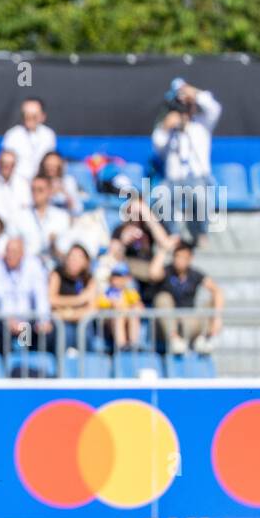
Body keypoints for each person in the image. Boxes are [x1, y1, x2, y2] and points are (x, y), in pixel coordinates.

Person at [151, 79, 221, 243]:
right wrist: (165, 127)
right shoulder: (166, 128)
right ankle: (174, 233)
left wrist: (192, 93)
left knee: (201, 195)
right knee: (161, 196)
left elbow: (214, 108)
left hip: (198, 178)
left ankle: (201, 233)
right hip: (173, 180)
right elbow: (157, 145)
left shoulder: (202, 124)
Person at [148, 239, 225, 355]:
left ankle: (206, 339)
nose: (179, 261)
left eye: (183, 257)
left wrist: (217, 318)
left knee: (212, 303)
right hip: (168, 323)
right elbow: (153, 274)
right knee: (162, 298)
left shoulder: (195, 274)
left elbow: (217, 291)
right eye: (177, 256)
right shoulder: (167, 271)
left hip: (188, 321)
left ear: (190, 259)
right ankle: (174, 340)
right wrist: (164, 250)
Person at [0, 236, 53, 353]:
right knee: (4, 337)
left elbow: (40, 295)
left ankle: (27, 363)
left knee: (40, 336)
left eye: (14, 251)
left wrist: (43, 321)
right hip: (4, 321)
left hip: (27, 321)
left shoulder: (34, 265)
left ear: (22, 254)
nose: (10, 255)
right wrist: (9, 320)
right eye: (8, 251)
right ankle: (5, 365)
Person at [49, 243, 97, 354]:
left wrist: (66, 312)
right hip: (61, 325)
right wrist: (80, 300)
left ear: (86, 262)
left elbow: (91, 310)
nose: (73, 260)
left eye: (78, 257)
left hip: (81, 324)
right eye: (71, 256)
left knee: (84, 332)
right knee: (65, 332)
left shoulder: (90, 279)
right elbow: (51, 300)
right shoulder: (57, 274)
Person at [2, 98, 57, 183]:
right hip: (18, 182)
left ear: (42, 116)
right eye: (26, 115)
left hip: (42, 182)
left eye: (34, 115)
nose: (29, 118)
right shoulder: (12, 135)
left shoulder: (48, 135)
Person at [97, 263, 144, 350]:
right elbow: (102, 304)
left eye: (121, 277)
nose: (117, 280)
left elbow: (139, 306)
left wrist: (131, 307)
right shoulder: (107, 293)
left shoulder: (130, 293)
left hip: (127, 320)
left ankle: (134, 344)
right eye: (115, 276)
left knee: (133, 313)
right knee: (119, 315)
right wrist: (115, 304)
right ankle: (121, 345)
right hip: (110, 324)